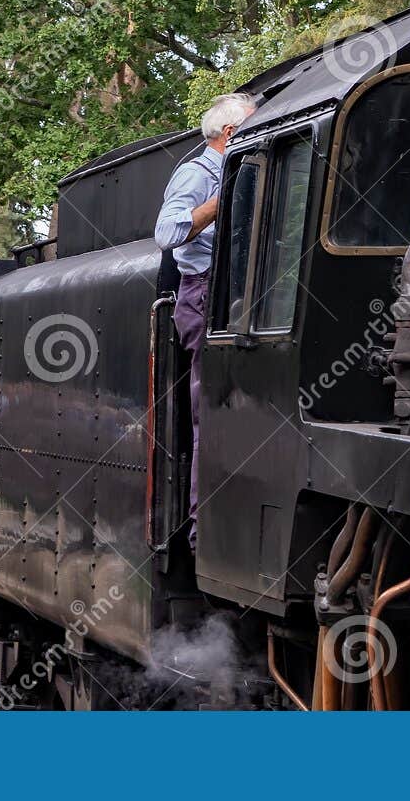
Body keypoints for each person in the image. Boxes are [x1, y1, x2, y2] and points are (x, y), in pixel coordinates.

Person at [154, 92, 257, 550]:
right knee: (207, 411)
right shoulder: (197, 174)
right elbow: (167, 232)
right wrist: (222, 200)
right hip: (202, 294)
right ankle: (201, 530)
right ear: (231, 133)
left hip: (235, 292)